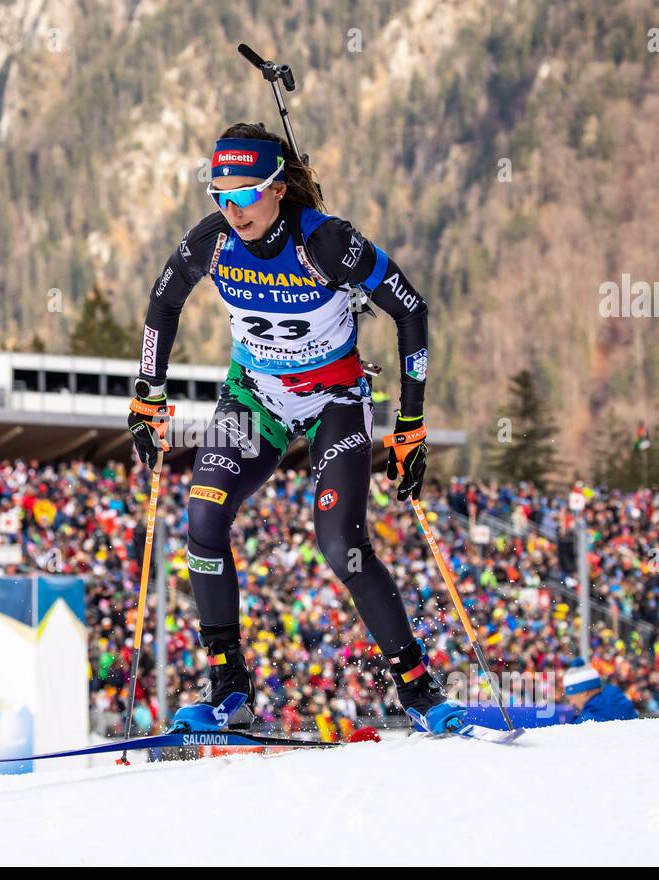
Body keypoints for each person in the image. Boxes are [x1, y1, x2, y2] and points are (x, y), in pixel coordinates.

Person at [128, 122, 463, 734]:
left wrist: (411, 423)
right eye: (218, 196)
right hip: (255, 399)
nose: (231, 210)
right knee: (201, 524)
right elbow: (162, 303)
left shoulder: (327, 243)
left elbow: (409, 310)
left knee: (341, 545)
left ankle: (417, 688)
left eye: (245, 193)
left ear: (278, 188)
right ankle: (229, 687)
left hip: (335, 397)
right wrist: (149, 394)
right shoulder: (212, 242)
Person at [564, 658, 637, 723]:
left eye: (571, 697)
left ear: (583, 692)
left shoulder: (587, 721)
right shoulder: (617, 696)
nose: (572, 703)